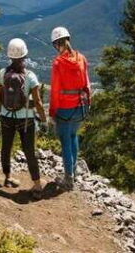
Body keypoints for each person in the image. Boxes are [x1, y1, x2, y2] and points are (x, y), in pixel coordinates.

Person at [0, 38, 47, 199]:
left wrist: (4, 109)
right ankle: (37, 185)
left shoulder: (2, 73)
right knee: (29, 151)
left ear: (10, 56)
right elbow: (38, 102)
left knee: (6, 147)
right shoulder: (30, 76)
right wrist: (43, 119)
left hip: (6, 117)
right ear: (24, 56)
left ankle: (8, 178)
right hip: (26, 120)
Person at [49, 26, 91, 191]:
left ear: (56, 44)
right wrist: (87, 104)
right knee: (73, 136)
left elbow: (55, 91)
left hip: (65, 107)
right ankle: (73, 171)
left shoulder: (58, 63)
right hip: (80, 106)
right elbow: (87, 84)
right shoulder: (81, 58)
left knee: (65, 141)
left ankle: (68, 179)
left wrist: (52, 111)